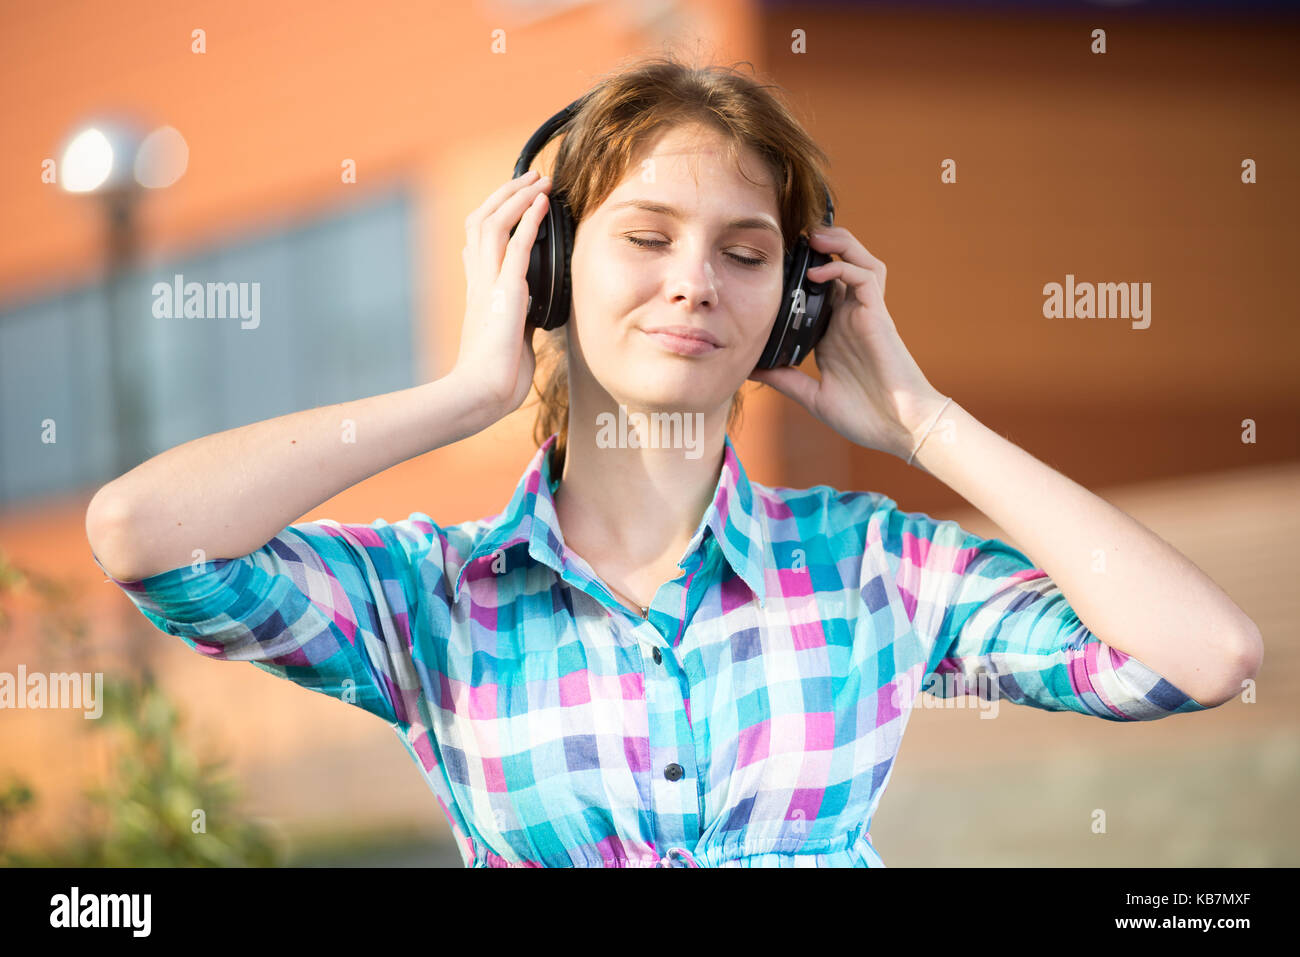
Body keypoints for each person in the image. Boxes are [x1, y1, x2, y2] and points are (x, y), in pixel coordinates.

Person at [84, 54, 1262, 868]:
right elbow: (143, 534)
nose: (695, 280)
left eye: (746, 254)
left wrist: (921, 422)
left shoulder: (872, 568)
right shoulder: (428, 594)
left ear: (795, 304)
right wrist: (464, 397)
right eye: (645, 238)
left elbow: (1203, 657)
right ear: (543, 269)